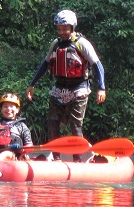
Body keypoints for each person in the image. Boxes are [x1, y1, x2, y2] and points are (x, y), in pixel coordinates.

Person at [26, 9, 106, 142]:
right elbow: (45, 64)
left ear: (72, 27)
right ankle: (56, 153)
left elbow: (97, 65)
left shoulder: (82, 43)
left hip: (79, 88)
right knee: (52, 123)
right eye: (59, 29)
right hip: (60, 87)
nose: (62, 32)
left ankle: (79, 153)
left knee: (75, 125)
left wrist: (101, 88)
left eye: (65, 29)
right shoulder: (55, 44)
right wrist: (32, 84)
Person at [0, 92, 34, 161]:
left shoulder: (22, 126)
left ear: (17, 110)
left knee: (6, 154)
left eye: (12, 106)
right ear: (1, 109)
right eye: (5, 106)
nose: (8, 109)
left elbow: (30, 146)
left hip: (12, 156)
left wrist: (21, 149)